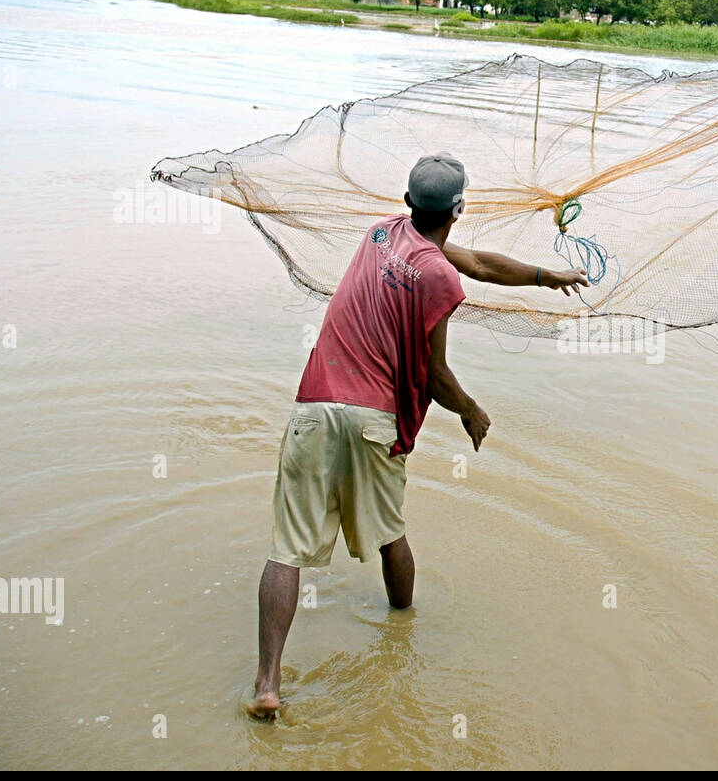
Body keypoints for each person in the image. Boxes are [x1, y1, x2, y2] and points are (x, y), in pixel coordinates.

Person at [246, 153, 589, 719]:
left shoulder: (382, 233)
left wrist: (545, 276)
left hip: (314, 404)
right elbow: (434, 374)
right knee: (390, 534)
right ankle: (401, 629)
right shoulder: (436, 278)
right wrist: (472, 412)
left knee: (287, 552)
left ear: (409, 203)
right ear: (459, 208)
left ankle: (266, 685)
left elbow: (478, 262)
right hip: (372, 417)